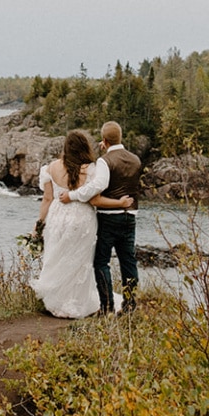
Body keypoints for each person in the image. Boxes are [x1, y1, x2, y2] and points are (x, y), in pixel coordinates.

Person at [30, 129, 134, 318]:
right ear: (84, 148)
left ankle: (56, 302)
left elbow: (46, 199)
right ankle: (77, 302)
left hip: (57, 218)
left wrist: (38, 225)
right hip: (82, 219)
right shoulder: (90, 169)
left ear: (65, 148)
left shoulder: (50, 168)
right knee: (80, 261)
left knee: (57, 256)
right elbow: (94, 199)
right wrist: (119, 203)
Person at [73, 120, 142, 313]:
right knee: (128, 261)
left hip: (108, 217)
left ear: (104, 140)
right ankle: (130, 304)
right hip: (130, 216)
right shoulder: (136, 159)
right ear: (120, 137)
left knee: (101, 262)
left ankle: (107, 305)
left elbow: (99, 185)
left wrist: (74, 195)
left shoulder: (105, 160)